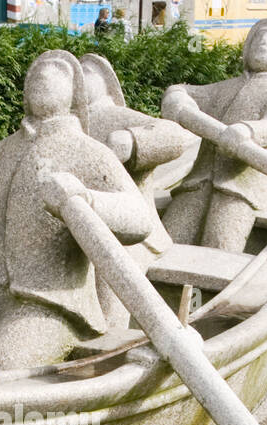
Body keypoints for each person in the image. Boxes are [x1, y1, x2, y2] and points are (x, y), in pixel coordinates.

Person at [0, 51, 153, 370]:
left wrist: (88, 199)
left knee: (3, 364)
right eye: (36, 69)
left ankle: (4, 419)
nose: (43, 72)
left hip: (52, 299)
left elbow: (139, 219)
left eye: (57, 68)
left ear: (74, 93)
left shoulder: (88, 153)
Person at [161, 19, 267, 254]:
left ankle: (210, 291)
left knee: (221, 242)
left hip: (242, 186)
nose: (264, 41)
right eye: (257, 38)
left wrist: (248, 131)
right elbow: (183, 89)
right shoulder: (224, 88)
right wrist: (176, 98)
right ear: (246, 51)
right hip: (199, 181)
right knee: (171, 237)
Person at [81, 53, 195, 328]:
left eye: (89, 71)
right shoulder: (71, 124)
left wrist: (133, 141)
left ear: (108, 85)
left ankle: (111, 337)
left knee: (111, 271)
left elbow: (172, 135)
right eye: (77, 73)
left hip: (131, 234)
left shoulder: (120, 117)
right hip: (73, 227)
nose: (81, 77)